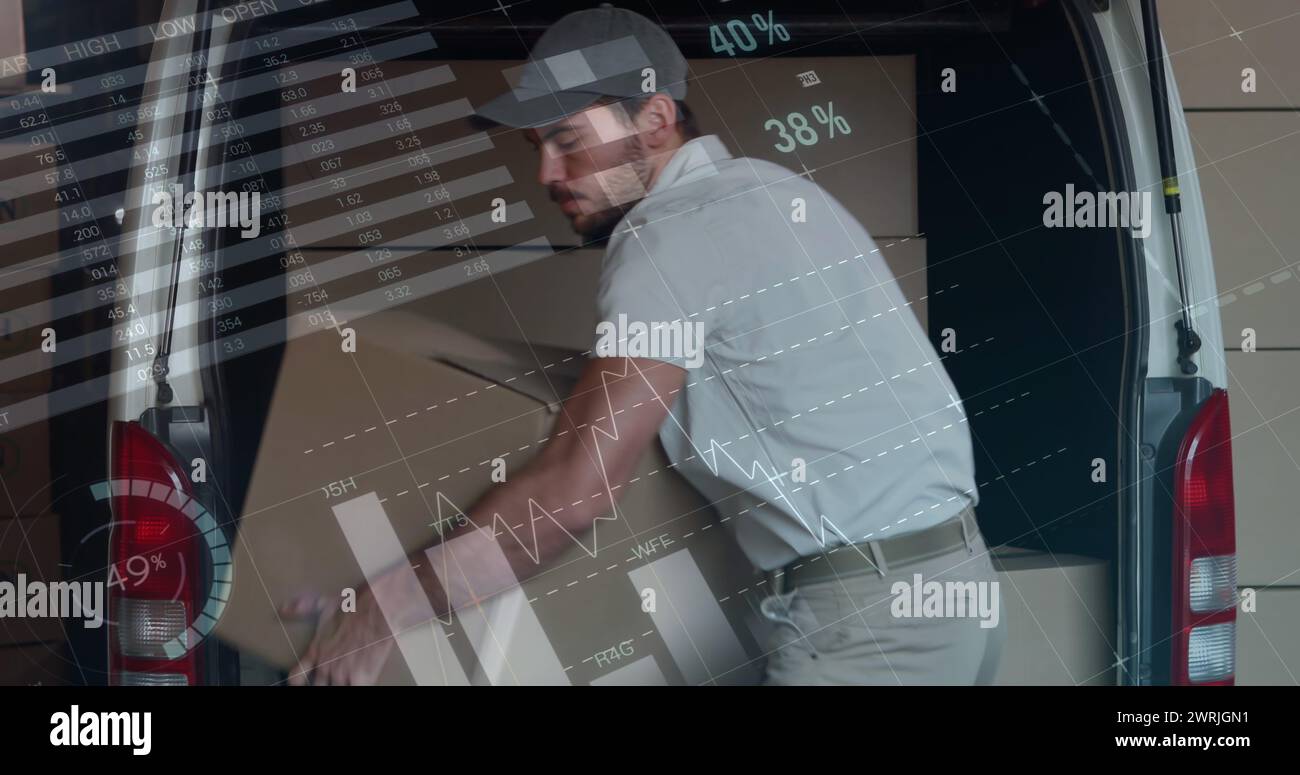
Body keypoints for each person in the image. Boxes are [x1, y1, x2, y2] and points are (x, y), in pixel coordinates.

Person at [282, 4, 1005, 686]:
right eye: (538, 147)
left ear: (656, 118)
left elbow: (577, 491)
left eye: (568, 139)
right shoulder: (777, 189)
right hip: (954, 592)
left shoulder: (667, 233)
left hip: (868, 628)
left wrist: (383, 607)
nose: (546, 175)